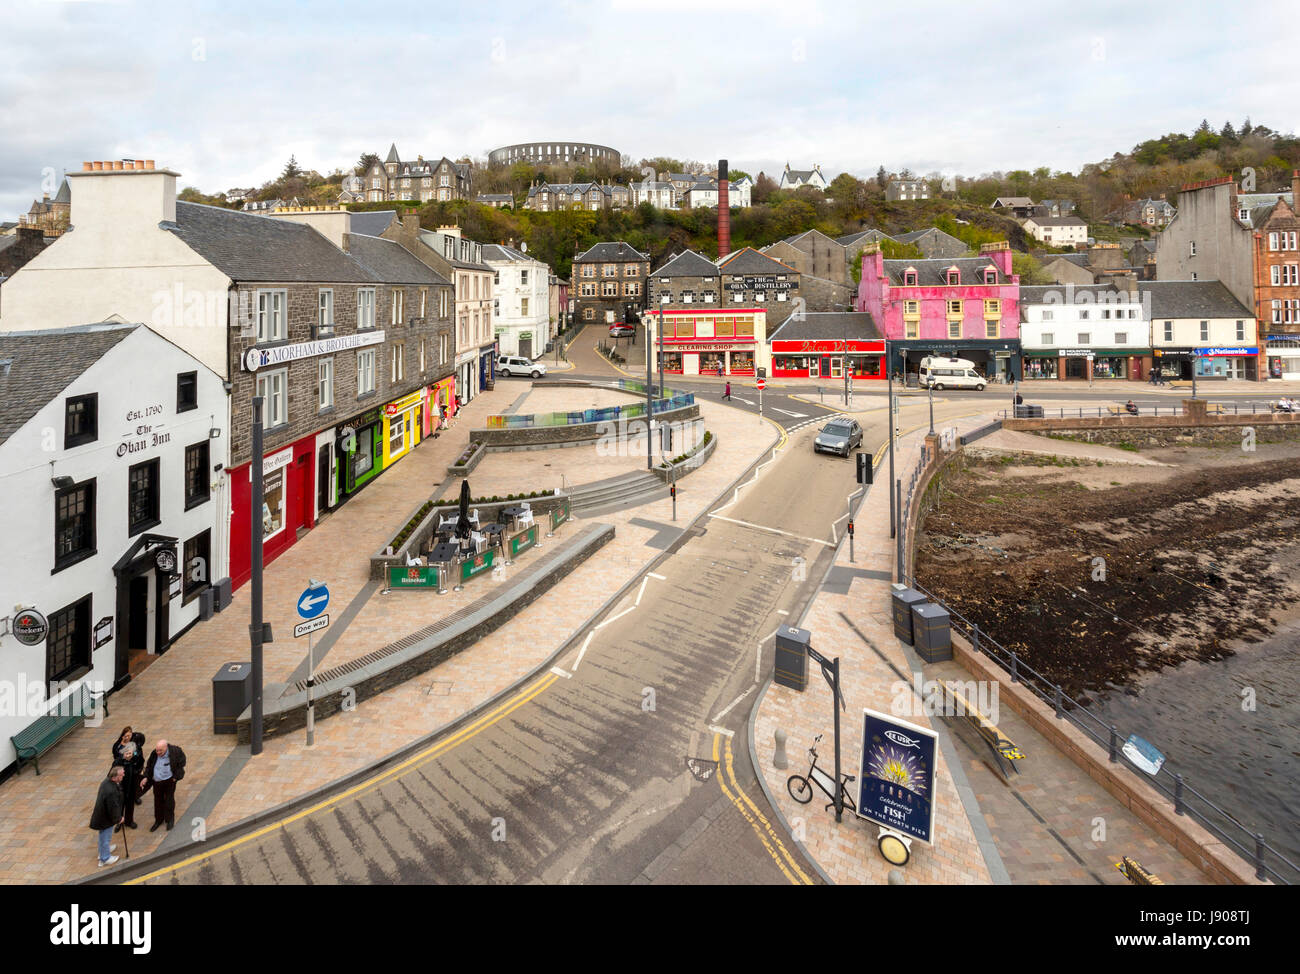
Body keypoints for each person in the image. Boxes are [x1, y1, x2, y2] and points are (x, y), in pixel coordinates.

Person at [140, 739, 186, 832]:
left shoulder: (175, 752)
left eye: (160, 750)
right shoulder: (154, 754)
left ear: (166, 748)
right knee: (158, 801)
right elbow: (149, 766)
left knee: (169, 800)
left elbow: (181, 764)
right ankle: (158, 820)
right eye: (157, 750)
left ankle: (169, 820)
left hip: (169, 781)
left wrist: (175, 777)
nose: (158, 752)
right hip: (157, 782)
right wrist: (146, 777)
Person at [89, 766, 125, 867]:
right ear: (115, 777)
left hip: (102, 816)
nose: (123, 776)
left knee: (103, 836)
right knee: (105, 837)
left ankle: (103, 851)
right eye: (121, 775)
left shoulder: (107, 782)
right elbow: (113, 808)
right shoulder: (111, 791)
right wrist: (119, 819)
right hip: (105, 819)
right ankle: (105, 858)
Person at [111, 726, 145, 829]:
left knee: (130, 799)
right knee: (120, 800)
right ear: (122, 736)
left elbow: (138, 753)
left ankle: (129, 821)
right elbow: (116, 758)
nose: (128, 737)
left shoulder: (134, 744)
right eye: (126, 736)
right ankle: (119, 821)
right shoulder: (117, 746)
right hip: (121, 774)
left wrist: (132, 755)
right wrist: (123, 757)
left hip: (131, 774)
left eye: (129, 735)